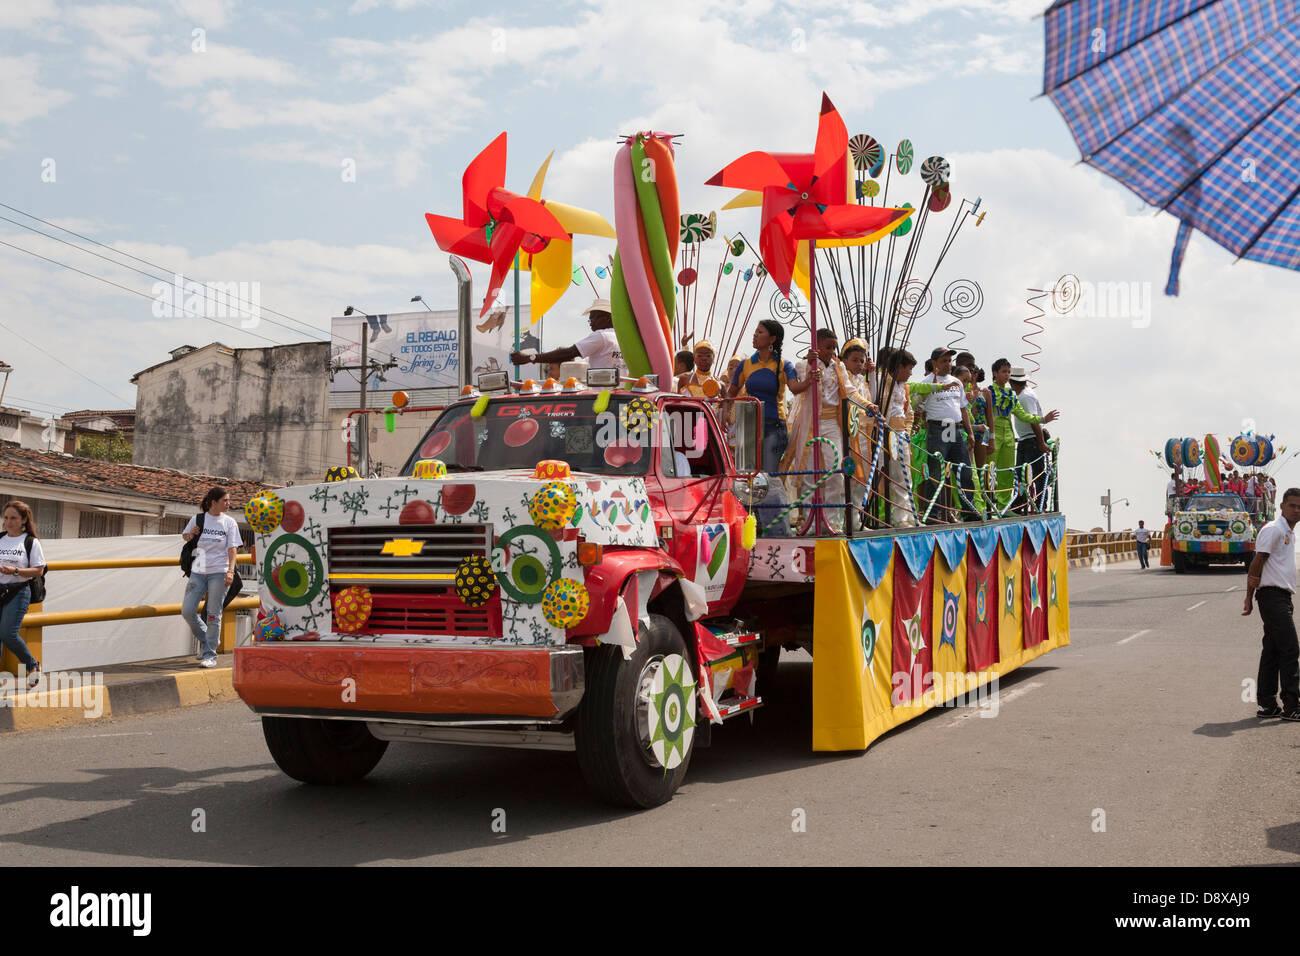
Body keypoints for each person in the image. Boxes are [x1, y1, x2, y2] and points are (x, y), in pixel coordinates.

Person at [781, 329, 877, 533]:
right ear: (816, 346)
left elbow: (850, 391)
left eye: (834, 347)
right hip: (810, 423)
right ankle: (809, 521)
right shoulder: (803, 364)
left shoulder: (838, 367)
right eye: (827, 347)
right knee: (809, 474)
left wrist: (868, 405)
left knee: (835, 472)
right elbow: (798, 389)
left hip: (833, 423)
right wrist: (809, 369)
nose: (831, 351)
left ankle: (832, 521)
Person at [727, 319, 817, 473]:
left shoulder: (783, 365)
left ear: (772, 339)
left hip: (773, 426)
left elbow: (795, 388)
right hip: (748, 424)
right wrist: (725, 411)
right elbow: (731, 392)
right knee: (746, 474)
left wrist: (810, 380)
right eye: (755, 331)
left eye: (760, 332)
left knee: (768, 475)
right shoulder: (746, 364)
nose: (755, 335)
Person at [1242, 488, 1300, 720]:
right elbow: (1257, 564)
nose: (1296, 510)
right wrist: (1248, 596)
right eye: (1292, 505)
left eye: (1299, 507)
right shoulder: (1274, 529)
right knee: (1290, 649)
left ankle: (1267, 705)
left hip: (1281, 597)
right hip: (1272, 597)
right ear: (1281, 506)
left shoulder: (1288, 532)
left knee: (1273, 651)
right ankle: (1292, 706)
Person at [181, 486, 243, 668]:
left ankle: (210, 654)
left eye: (229, 500)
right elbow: (185, 536)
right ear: (213, 502)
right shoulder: (198, 518)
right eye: (225, 500)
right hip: (198, 571)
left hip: (219, 572)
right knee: (187, 610)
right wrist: (191, 533)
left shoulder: (230, 522)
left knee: (213, 614)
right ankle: (207, 642)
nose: (228, 504)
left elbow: (233, 549)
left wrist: (230, 571)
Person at [919, 348, 978, 522]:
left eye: (949, 361)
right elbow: (918, 407)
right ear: (934, 363)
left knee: (963, 470)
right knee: (936, 472)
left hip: (956, 428)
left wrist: (970, 432)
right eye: (944, 361)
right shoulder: (927, 382)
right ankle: (933, 513)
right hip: (938, 428)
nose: (948, 364)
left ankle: (968, 510)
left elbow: (962, 408)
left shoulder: (956, 382)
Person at [509, 298, 627, 380]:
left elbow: (569, 353)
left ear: (607, 318)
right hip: (621, 395)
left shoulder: (601, 336)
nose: (590, 324)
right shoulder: (622, 338)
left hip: (601, 395)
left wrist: (530, 358)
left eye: (593, 319)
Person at [0, 501, 46, 689]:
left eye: (14, 518)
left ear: (24, 520)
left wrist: (15, 571)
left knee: (8, 633)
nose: (9, 522)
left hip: (18, 591)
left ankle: (33, 665)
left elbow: (39, 570)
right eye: (6, 518)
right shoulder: (0, 538)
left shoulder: (30, 542)